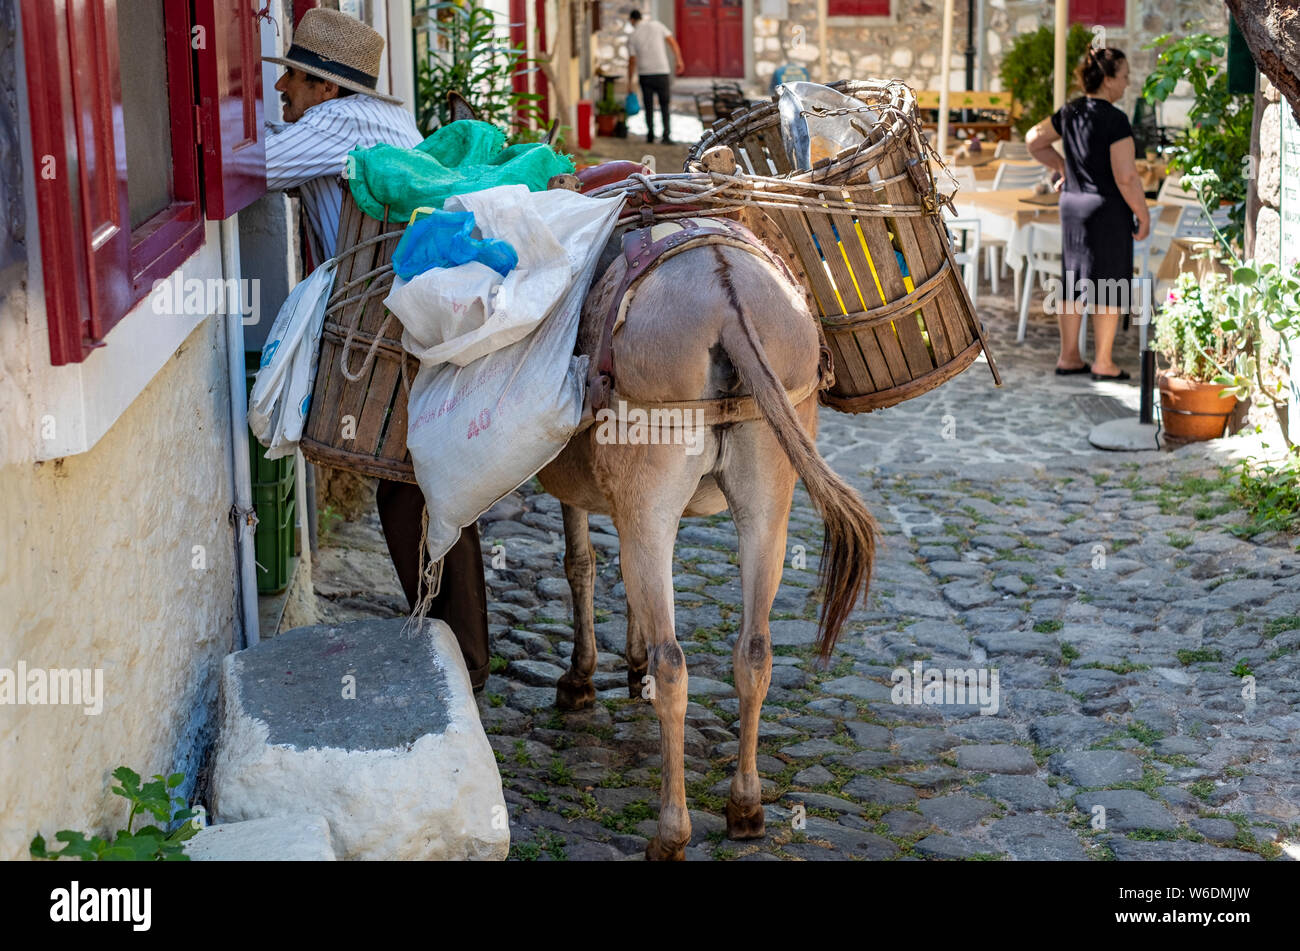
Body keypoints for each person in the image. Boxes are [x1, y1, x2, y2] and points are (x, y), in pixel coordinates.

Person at [264, 8, 491, 689]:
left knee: (405, 487)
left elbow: (241, 169)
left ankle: (456, 655)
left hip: (381, 325)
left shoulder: (336, 125)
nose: (283, 94)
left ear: (327, 91)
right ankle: (456, 646)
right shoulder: (386, 122)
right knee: (428, 481)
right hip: (420, 311)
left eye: (295, 82)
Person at [1026, 47, 1149, 381]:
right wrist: (1144, 213)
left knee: (1074, 281)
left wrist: (1063, 166)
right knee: (1108, 282)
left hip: (1073, 207)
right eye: (1124, 77)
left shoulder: (1070, 111)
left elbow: (1033, 140)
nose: (1127, 84)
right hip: (1106, 209)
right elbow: (1126, 177)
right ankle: (1104, 363)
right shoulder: (1115, 119)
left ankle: (1069, 357)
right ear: (1108, 80)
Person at [626, 9, 684, 145]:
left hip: (645, 74)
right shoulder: (657, 25)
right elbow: (672, 41)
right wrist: (679, 59)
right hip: (662, 71)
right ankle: (666, 135)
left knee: (648, 105)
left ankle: (650, 135)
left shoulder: (633, 35)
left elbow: (632, 60)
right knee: (665, 105)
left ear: (632, 20)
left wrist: (630, 81)